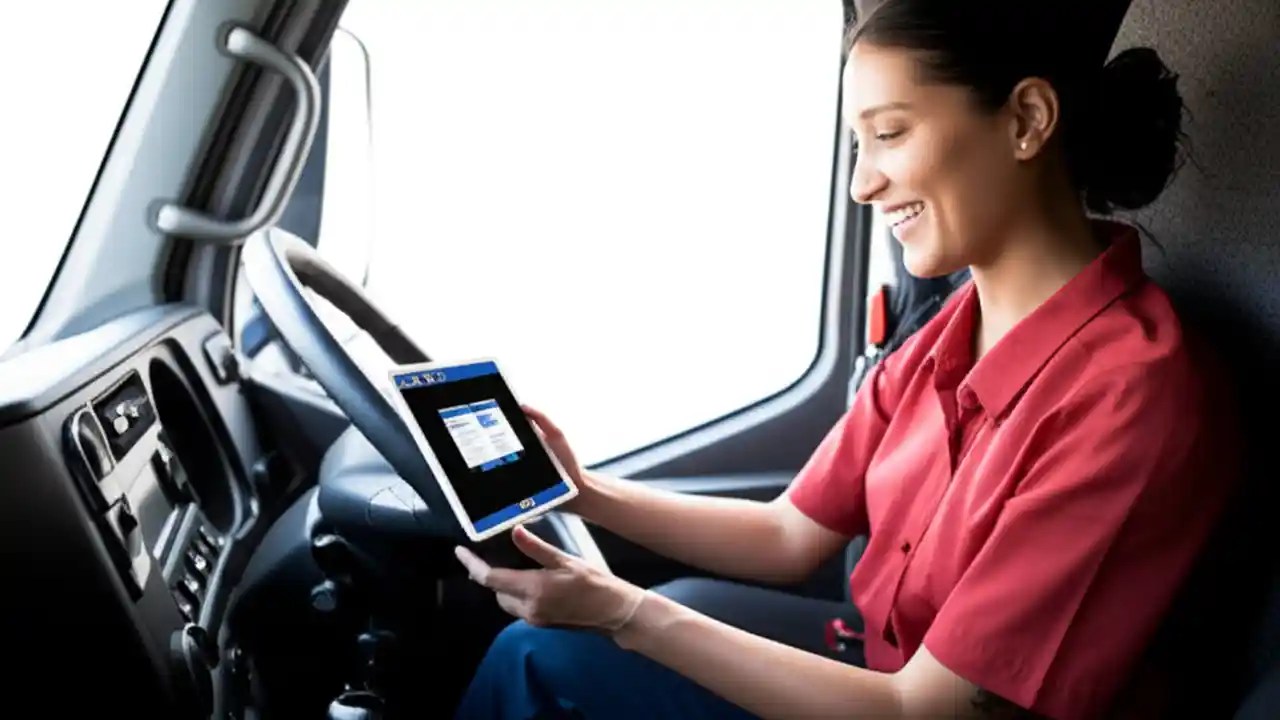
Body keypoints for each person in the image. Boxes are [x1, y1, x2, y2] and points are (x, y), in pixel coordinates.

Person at [451, 0, 1241, 717]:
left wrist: (626, 612)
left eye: (889, 134)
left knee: (540, 660)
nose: (863, 183)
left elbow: (920, 711)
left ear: (1027, 119)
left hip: (908, 703)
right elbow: (790, 533)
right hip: (873, 660)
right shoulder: (946, 334)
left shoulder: (1130, 394)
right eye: (857, 144)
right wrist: (583, 492)